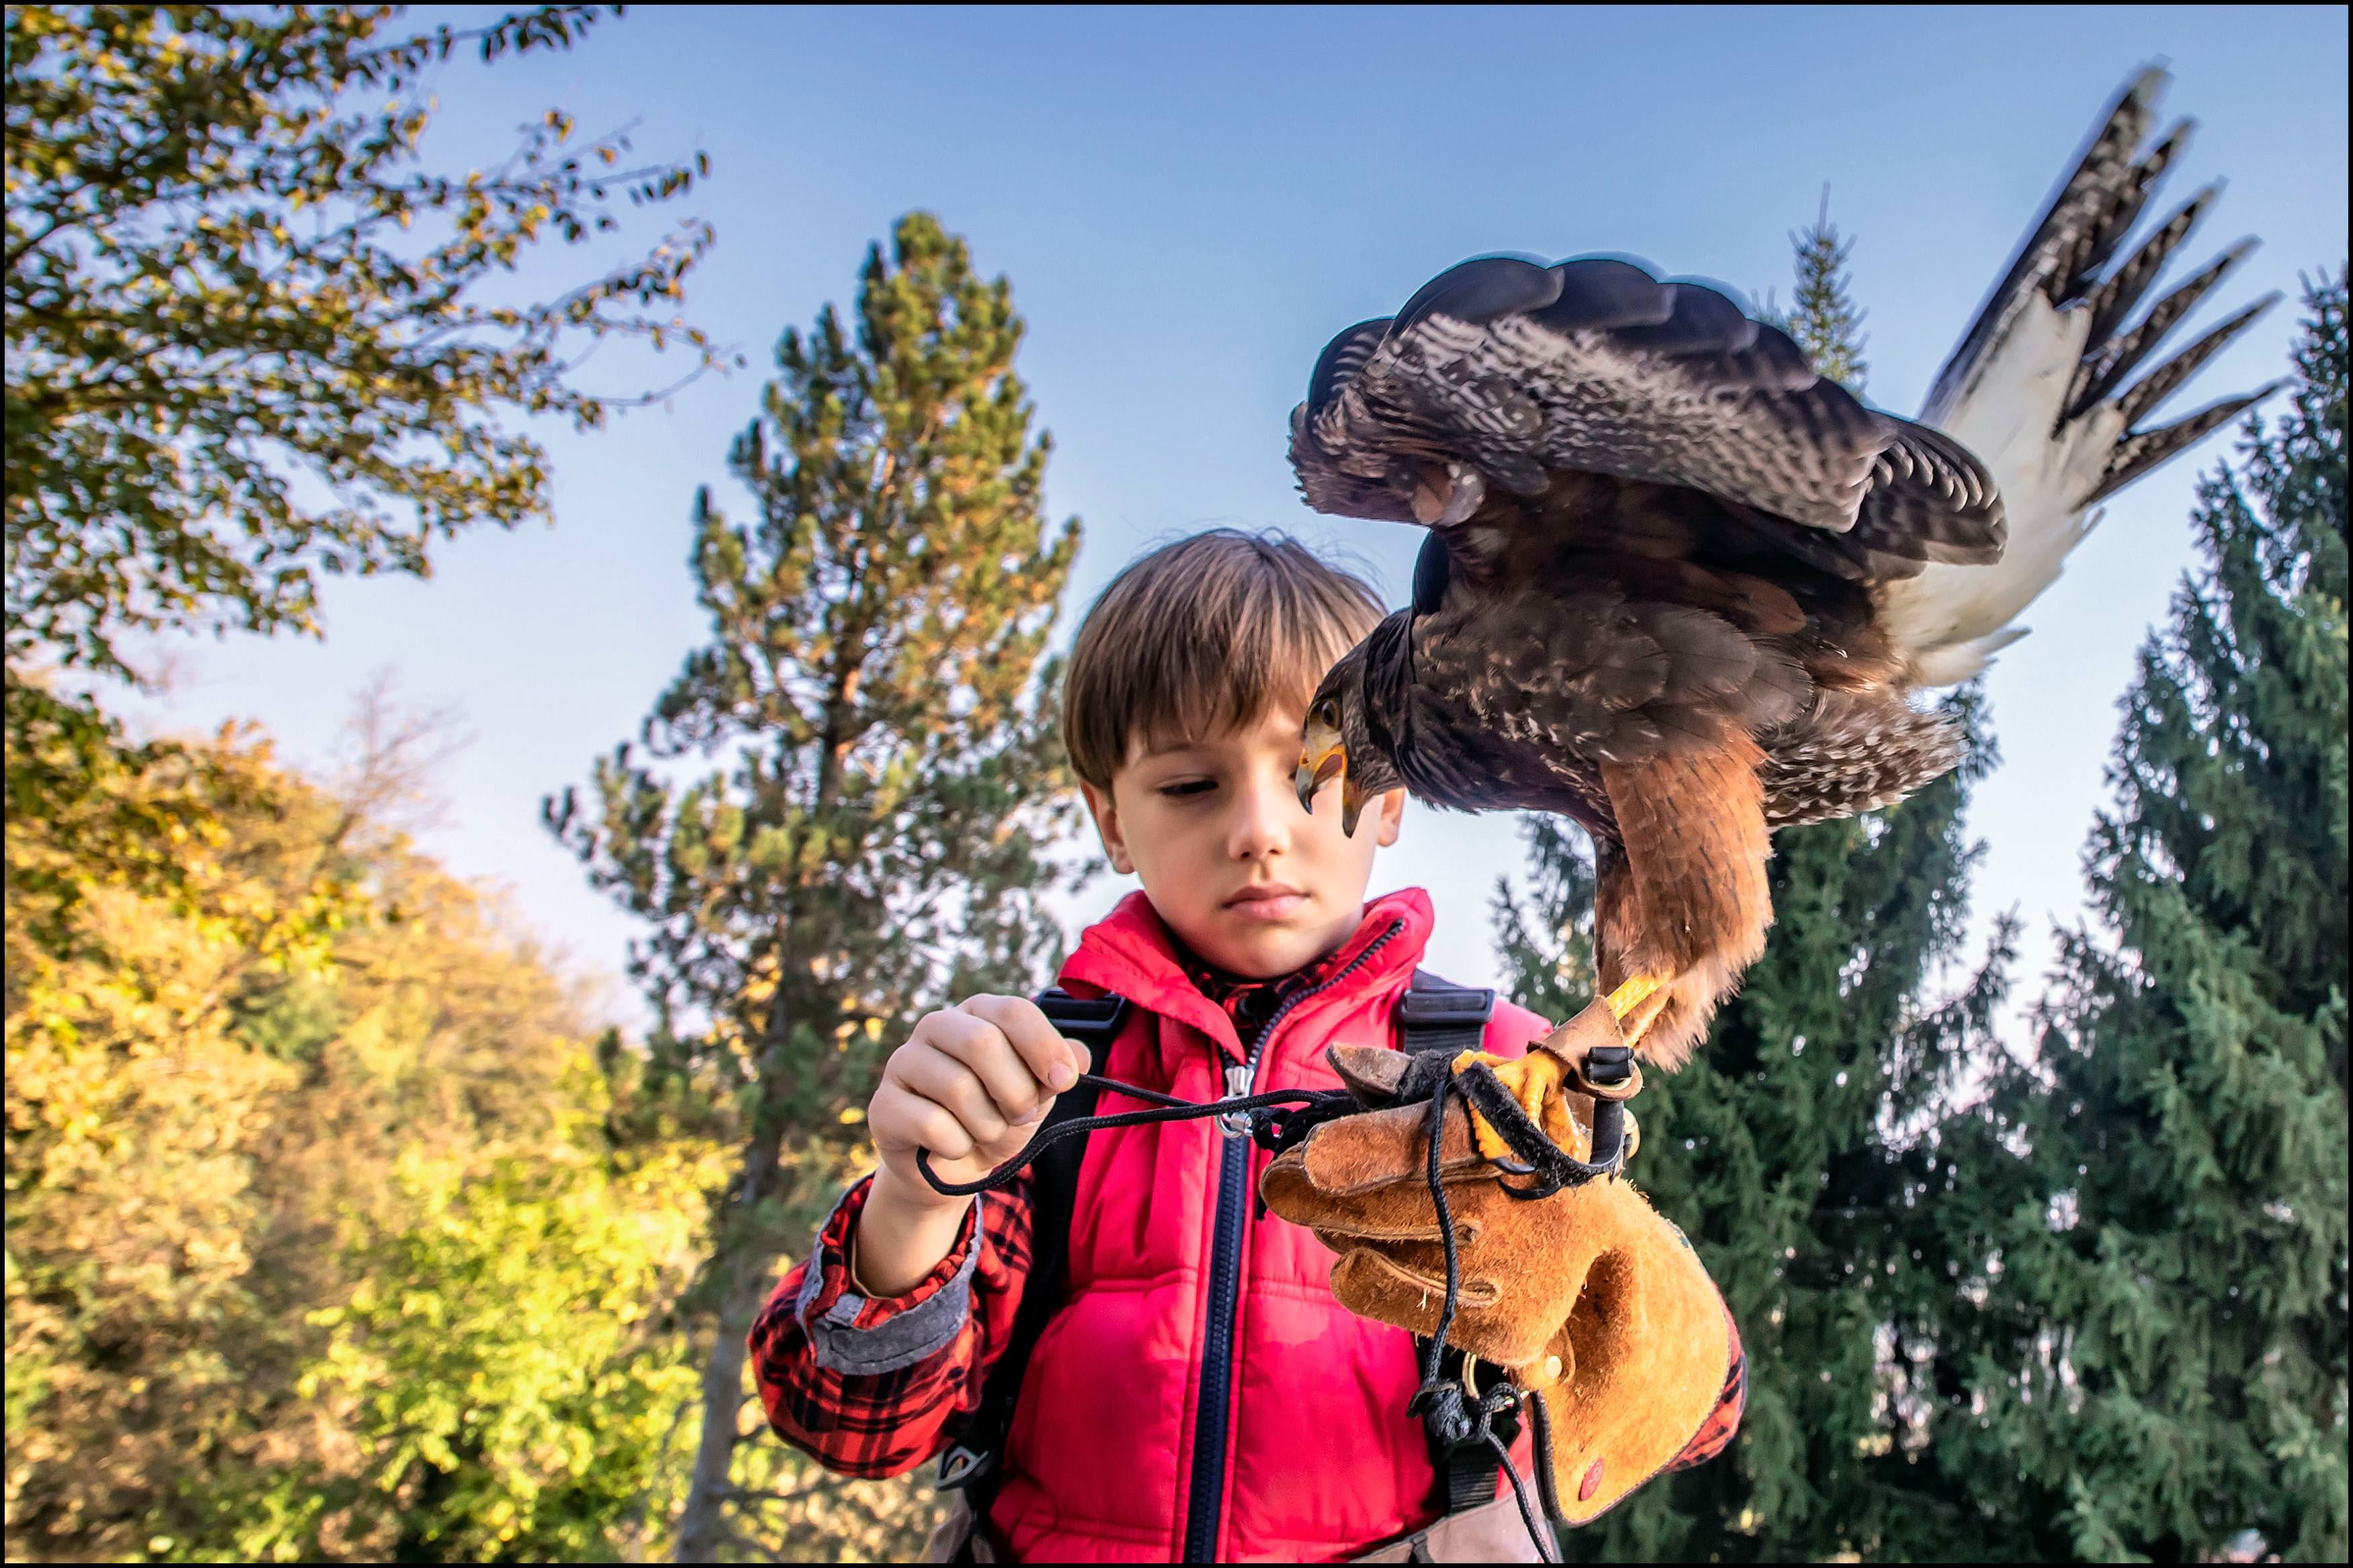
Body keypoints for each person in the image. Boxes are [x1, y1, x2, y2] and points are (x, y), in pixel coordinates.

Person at [747, 530, 1741, 1562]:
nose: (1260, 828)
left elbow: (1702, 1415)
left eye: (1314, 772)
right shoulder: (1036, 1074)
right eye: (1190, 786)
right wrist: (914, 1203)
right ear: (1111, 822)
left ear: (1391, 795)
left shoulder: (1503, 1064)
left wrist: (1608, 1277)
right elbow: (846, 1423)